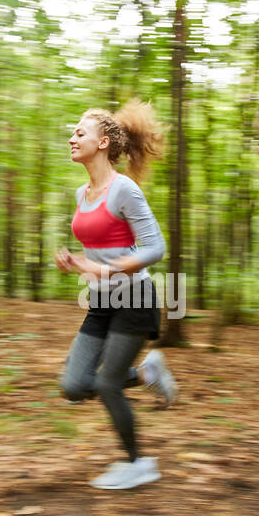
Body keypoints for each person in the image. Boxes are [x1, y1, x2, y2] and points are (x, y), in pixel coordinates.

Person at [55, 99, 178, 490]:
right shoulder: (82, 193)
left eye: (80, 132)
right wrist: (76, 262)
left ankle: (139, 463)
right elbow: (98, 245)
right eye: (73, 132)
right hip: (101, 302)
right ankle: (147, 373)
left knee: (107, 384)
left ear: (103, 142)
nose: (72, 137)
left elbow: (155, 248)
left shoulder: (123, 189)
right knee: (74, 386)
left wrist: (107, 267)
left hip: (135, 299)